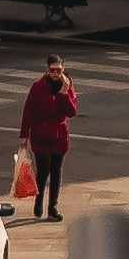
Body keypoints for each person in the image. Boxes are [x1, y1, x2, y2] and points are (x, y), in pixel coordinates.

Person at [20, 53, 80, 221]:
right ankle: (38, 201)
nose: (55, 74)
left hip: (59, 135)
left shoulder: (67, 86)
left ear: (63, 69)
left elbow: (72, 112)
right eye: (52, 70)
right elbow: (28, 111)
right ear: (47, 69)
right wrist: (24, 134)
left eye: (58, 70)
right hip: (41, 134)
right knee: (43, 171)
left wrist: (63, 93)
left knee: (56, 172)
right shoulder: (38, 87)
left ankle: (52, 206)